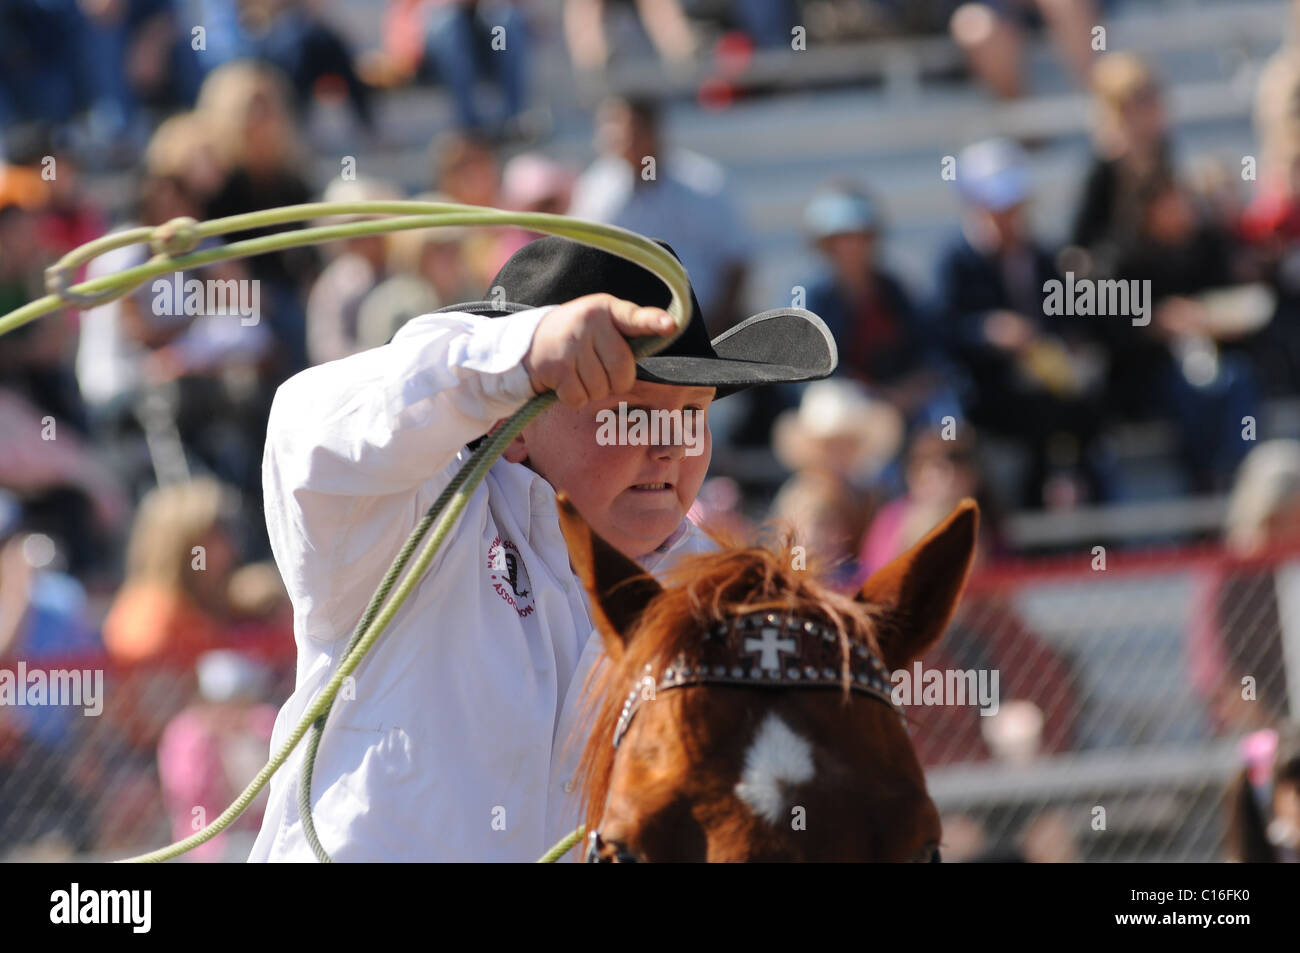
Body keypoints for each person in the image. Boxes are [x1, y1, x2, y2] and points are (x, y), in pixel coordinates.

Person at [249, 236, 836, 861]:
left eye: (691, 414)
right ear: (514, 426)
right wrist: (518, 357)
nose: (669, 446)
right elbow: (309, 429)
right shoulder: (410, 523)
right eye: (632, 412)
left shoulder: (722, 610)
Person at [568, 95, 753, 336]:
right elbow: (583, 263)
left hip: (708, 327)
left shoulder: (704, 183)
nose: (617, 136)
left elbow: (736, 260)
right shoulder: (596, 190)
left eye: (625, 127)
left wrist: (715, 331)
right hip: (630, 334)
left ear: (652, 130)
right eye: (608, 127)